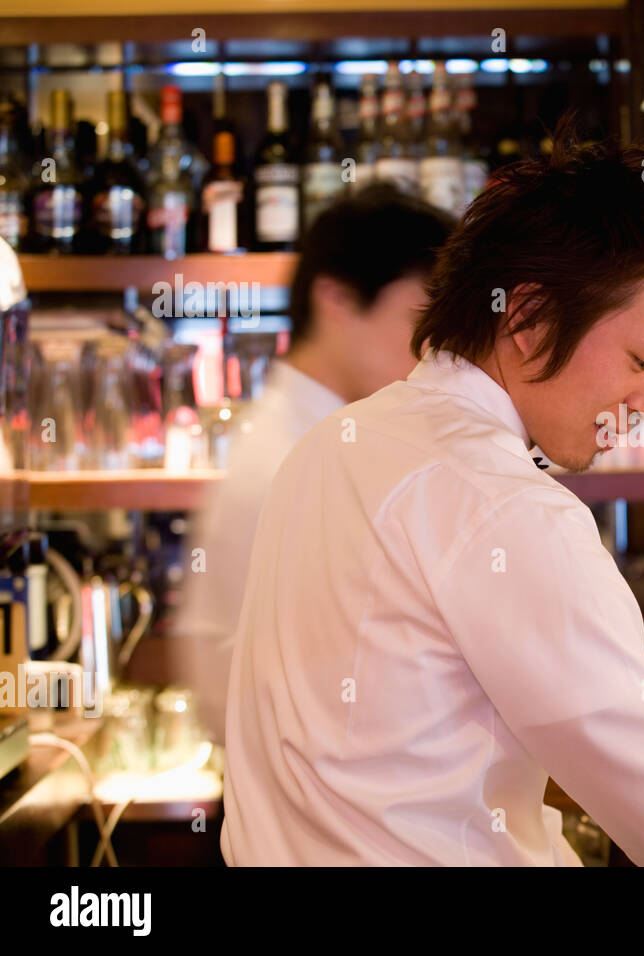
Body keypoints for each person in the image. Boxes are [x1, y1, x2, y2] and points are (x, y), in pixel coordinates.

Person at [220, 115, 644, 866]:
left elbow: (399, 751)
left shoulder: (332, 446)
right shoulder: (502, 504)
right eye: (642, 358)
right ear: (530, 320)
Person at [176, 183, 456, 746]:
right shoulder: (297, 457)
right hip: (313, 816)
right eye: (421, 317)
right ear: (337, 300)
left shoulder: (334, 435)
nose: (435, 349)